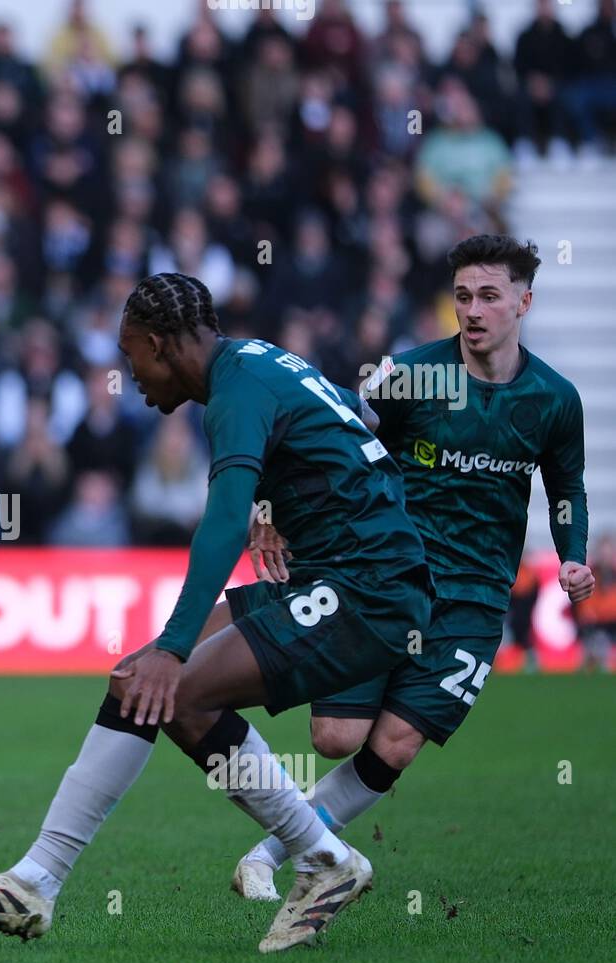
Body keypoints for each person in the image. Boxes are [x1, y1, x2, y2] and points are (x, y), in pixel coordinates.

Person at [0, 272, 431, 953]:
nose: (130, 376)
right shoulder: (262, 361)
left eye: (131, 356)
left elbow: (220, 522)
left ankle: (319, 859)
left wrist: (177, 639)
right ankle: (37, 880)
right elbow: (354, 420)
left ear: (160, 346)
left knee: (164, 687)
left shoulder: (235, 394)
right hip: (340, 573)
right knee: (140, 683)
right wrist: (278, 507)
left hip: (367, 590)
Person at [234, 235, 591, 899]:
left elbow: (566, 488)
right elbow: (328, 423)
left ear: (524, 300)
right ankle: (231, 730)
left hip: (476, 601)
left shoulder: (554, 400)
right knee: (336, 737)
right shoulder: (413, 376)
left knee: (395, 747)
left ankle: (272, 856)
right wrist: (270, 501)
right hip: (386, 578)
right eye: (462, 296)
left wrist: (572, 555)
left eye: (488, 295)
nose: (473, 309)